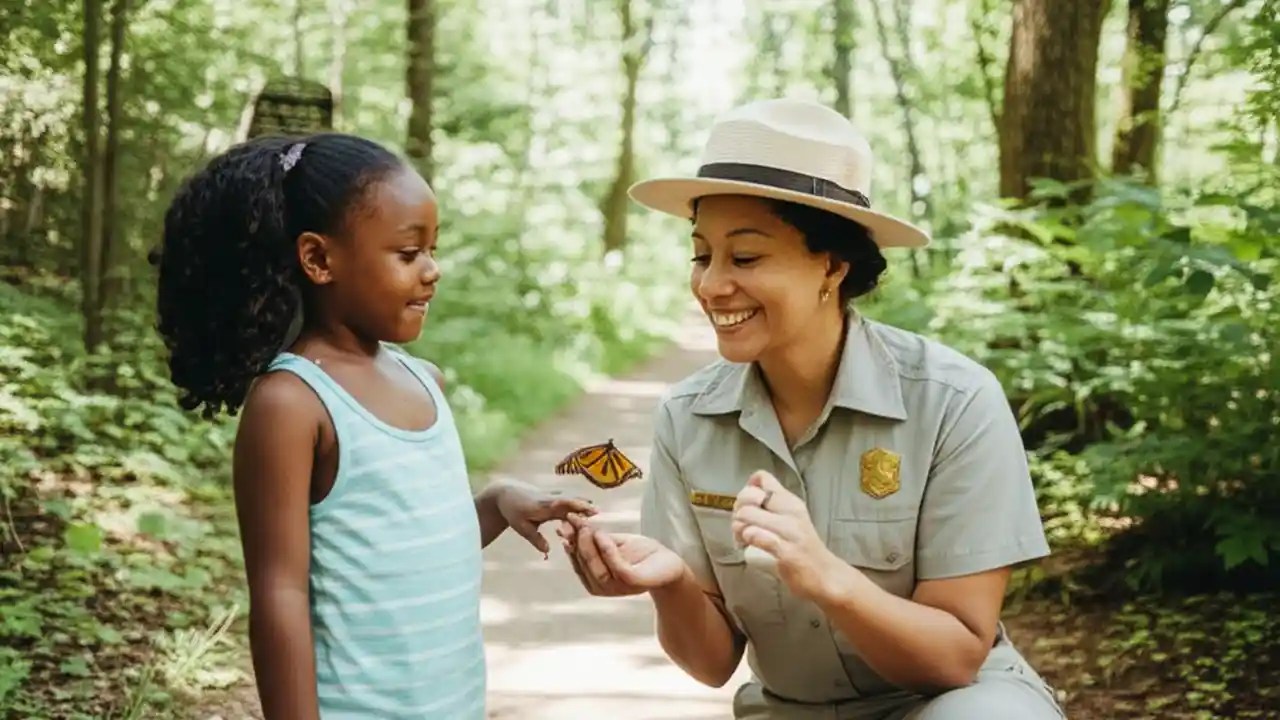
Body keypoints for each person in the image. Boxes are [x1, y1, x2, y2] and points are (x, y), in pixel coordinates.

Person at [557, 98, 1066, 719]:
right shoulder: (687, 419)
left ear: (831, 264)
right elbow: (712, 663)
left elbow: (955, 658)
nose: (712, 284)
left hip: (949, 703)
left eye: (745, 257)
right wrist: (670, 586)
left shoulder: (953, 401)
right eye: (701, 254)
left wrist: (826, 576)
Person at [151, 133, 594, 719]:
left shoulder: (425, 383)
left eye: (433, 250)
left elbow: (405, 546)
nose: (432, 270)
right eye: (408, 254)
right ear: (319, 260)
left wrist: (496, 503)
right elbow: (280, 594)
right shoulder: (293, 404)